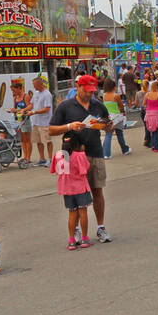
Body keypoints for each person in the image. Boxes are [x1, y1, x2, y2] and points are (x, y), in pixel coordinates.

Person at [50, 73, 114, 243]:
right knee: (75, 192)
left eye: (92, 91)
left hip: (94, 151)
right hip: (71, 155)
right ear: (78, 87)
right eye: (87, 91)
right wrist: (70, 126)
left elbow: (107, 125)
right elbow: (51, 129)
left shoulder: (98, 106)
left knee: (97, 189)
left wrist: (109, 127)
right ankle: (76, 230)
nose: (90, 94)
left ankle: (100, 227)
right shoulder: (65, 106)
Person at [52, 136, 93, 249]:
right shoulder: (79, 155)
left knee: (72, 213)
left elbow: (55, 170)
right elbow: (84, 169)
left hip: (66, 189)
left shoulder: (59, 155)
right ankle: (84, 238)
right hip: (80, 187)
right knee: (83, 212)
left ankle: (72, 239)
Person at [100, 78, 131, 158]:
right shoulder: (116, 95)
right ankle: (125, 149)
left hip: (108, 117)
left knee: (108, 134)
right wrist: (123, 112)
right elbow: (121, 107)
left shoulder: (104, 95)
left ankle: (106, 153)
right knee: (119, 133)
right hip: (117, 116)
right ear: (113, 87)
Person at [6, 79, 34, 165]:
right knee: (22, 139)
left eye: (14, 90)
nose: (13, 92)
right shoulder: (15, 98)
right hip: (18, 120)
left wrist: (23, 110)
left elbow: (30, 106)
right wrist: (12, 110)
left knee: (27, 139)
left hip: (25, 119)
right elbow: (15, 108)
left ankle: (28, 157)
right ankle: (24, 156)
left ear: (19, 88)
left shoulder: (25, 96)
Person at [29, 75, 53, 167]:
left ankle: (50, 159)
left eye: (35, 85)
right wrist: (23, 110)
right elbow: (31, 105)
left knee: (47, 141)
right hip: (36, 122)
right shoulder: (36, 93)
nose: (34, 87)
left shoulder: (47, 94)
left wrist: (34, 112)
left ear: (40, 84)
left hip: (45, 122)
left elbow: (47, 109)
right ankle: (42, 159)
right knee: (38, 141)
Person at [142, 80, 158, 151]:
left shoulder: (147, 94)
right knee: (157, 129)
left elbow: (143, 103)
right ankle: (156, 147)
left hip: (149, 114)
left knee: (152, 130)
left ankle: (153, 145)